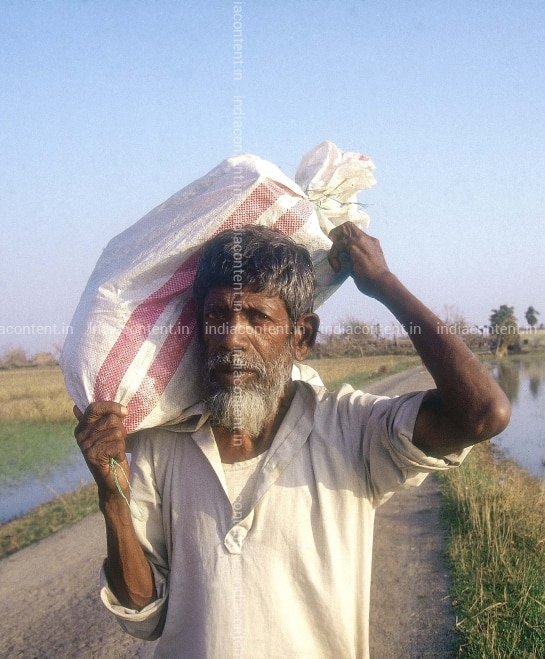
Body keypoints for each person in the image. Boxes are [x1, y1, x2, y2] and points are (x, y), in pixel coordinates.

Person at [74, 223, 510, 657]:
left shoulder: (350, 429)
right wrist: (113, 497)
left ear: (301, 337)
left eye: (257, 317)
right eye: (216, 316)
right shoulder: (158, 445)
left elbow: (482, 414)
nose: (231, 337)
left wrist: (383, 284)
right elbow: (143, 613)